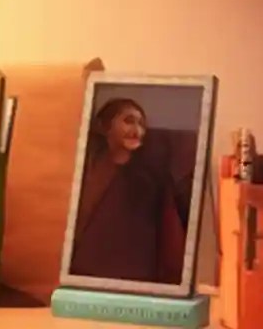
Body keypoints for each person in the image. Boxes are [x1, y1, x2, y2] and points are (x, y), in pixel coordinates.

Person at [70, 97, 188, 284]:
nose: (137, 131)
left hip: (135, 276)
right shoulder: (87, 170)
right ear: (106, 126)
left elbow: (169, 236)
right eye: (128, 121)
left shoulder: (152, 178)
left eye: (141, 125)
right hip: (87, 275)